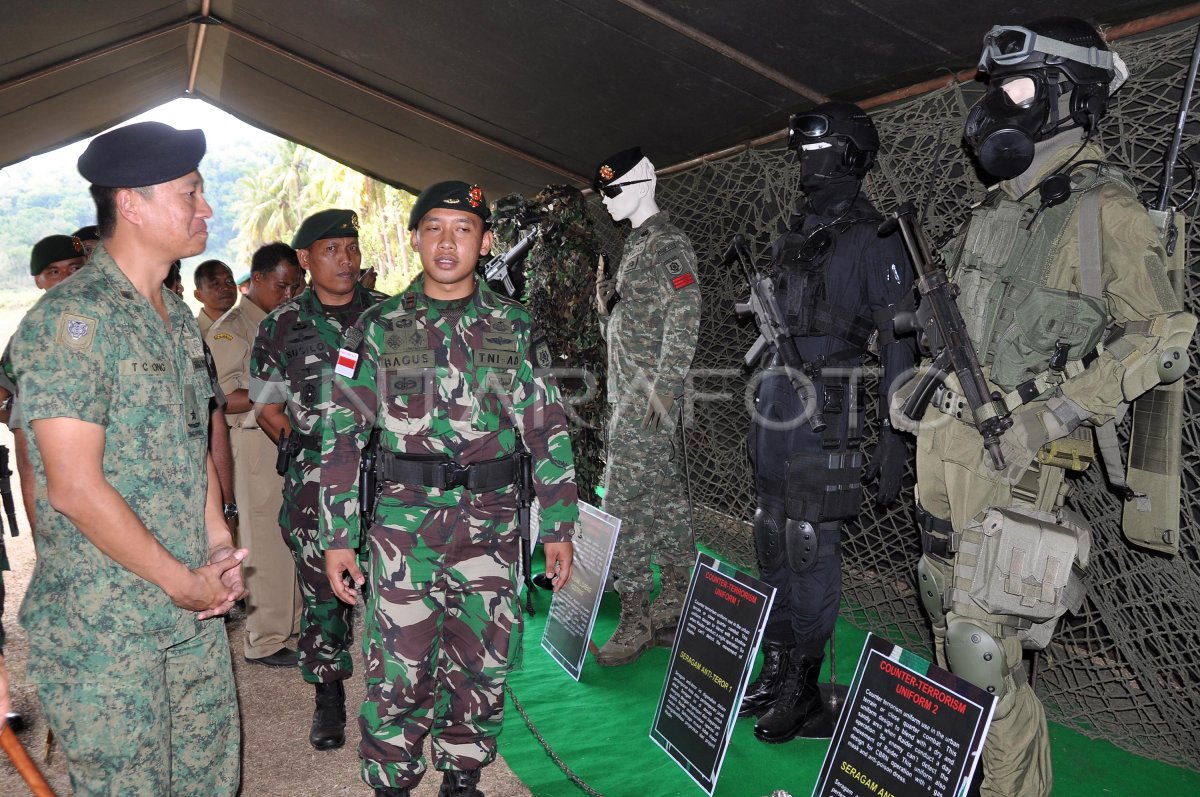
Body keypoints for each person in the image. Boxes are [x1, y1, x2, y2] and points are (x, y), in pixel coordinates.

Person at [891, 18, 1196, 797]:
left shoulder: (1108, 212)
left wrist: (1053, 416)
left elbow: (1163, 335)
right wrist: (923, 380)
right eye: (997, 90)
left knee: (981, 646)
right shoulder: (995, 207)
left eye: (1019, 88)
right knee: (941, 607)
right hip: (948, 445)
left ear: (1069, 97)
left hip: (1019, 454)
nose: (998, 107)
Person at [9, 120, 247, 795]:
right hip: (106, 634)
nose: (207, 208)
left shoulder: (174, 318)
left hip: (188, 616)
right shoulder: (73, 321)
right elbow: (74, 488)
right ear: (132, 202)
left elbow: (188, 440)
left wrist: (218, 541)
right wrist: (179, 578)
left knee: (206, 781)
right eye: (190, 193)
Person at [319, 181, 577, 797]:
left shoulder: (515, 326)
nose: (446, 241)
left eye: (462, 229)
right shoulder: (375, 327)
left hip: (492, 526)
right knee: (398, 664)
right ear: (414, 238)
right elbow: (342, 436)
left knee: (483, 660)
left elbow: (547, 429)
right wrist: (337, 537)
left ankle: (463, 775)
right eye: (433, 227)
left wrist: (561, 527)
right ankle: (391, 780)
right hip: (403, 529)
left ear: (486, 243)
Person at [738, 102, 915, 743]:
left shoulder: (877, 238)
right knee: (769, 535)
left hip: (828, 411)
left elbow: (900, 341)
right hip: (776, 404)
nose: (805, 161)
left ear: (847, 154)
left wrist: (896, 436)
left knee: (809, 545)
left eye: (818, 147)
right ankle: (779, 664)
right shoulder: (797, 232)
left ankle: (807, 688)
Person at [250, 215, 384, 751]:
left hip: (386, 478)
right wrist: (309, 452)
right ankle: (328, 694)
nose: (346, 260)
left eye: (352, 248)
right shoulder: (280, 325)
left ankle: (395, 695)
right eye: (331, 249)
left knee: (396, 587)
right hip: (314, 484)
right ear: (305, 259)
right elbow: (265, 406)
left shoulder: (390, 315)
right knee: (323, 591)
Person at [591, 147, 702, 666]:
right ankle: (677, 597)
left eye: (615, 190)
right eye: (604, 193)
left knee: (623, 505)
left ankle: (635, 618)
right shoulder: (637, 247)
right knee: (661, 496)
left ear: (645, 182)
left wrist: (666, 389)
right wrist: (609, 309)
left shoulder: (667, 245)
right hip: (628, 396)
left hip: (646, 401)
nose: (608, 201)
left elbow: (685, 316)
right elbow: (639, 323)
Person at [207, 243, 304, 668]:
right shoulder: (231, 329)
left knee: (289, 539)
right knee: (262, 542)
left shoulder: (283, 322)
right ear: (258, 279)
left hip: (282, 438)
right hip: (250, 445)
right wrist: (285, 393)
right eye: (281, 286)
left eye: (294, 287)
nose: (288, 295)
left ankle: (293, 626)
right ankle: (264, 639)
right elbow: (224, 398)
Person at [193, 258, 237, 336]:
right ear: (198, 295)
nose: (225, 287)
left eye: (229, 281)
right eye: (215, 283)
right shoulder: (189, 333)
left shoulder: (252, 324)